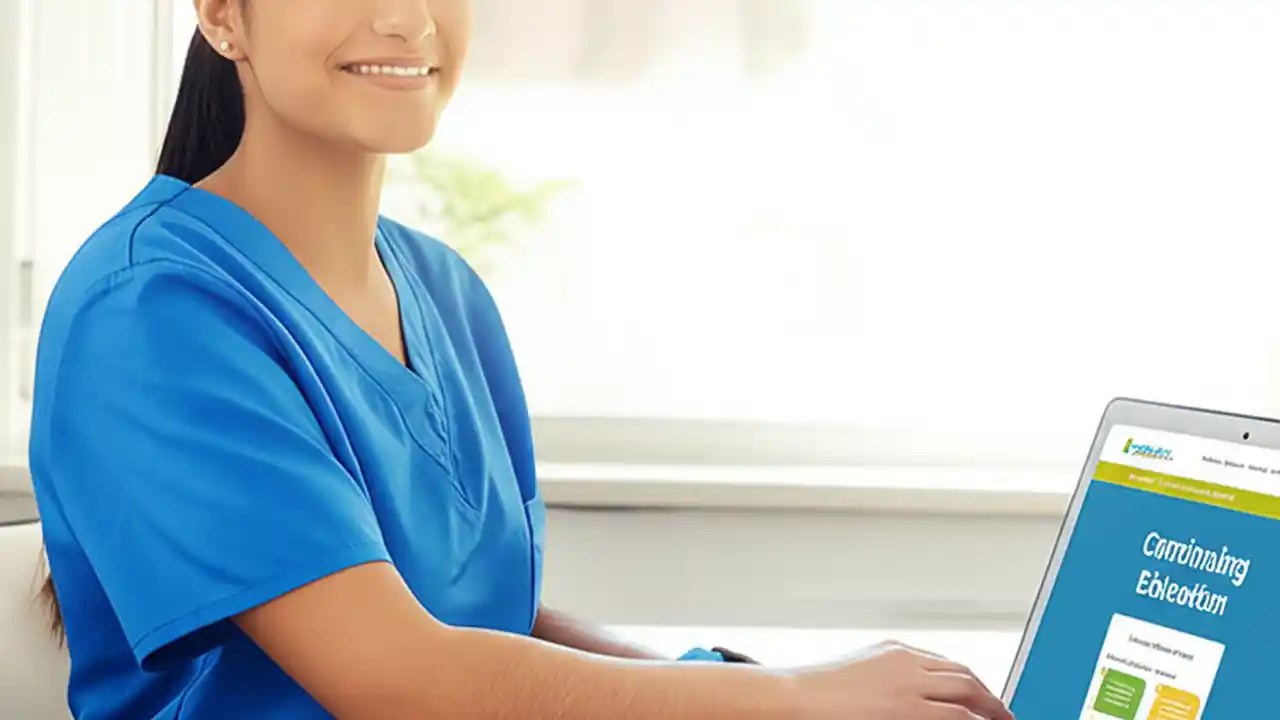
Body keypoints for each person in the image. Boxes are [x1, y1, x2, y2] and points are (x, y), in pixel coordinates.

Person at [27, 1, 1015, 718]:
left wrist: (737, 679)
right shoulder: (151, 310)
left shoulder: (445, 293)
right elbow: (397, 674)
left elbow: (481, 615)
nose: (407, 20)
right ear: (222, 15)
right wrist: (791, 702)